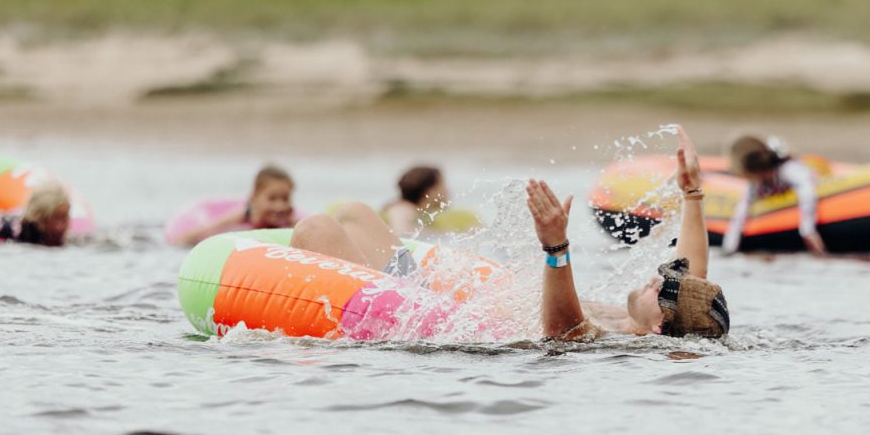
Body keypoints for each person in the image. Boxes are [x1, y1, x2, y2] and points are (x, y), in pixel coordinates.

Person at [291, 127, 729, 342]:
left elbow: (563, 328)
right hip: (430, 294)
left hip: (411, 316)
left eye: (664, 289)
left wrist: (556, 245)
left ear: (660, 326)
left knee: (316, 228)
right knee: (354, 212)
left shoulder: (613, 341)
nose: (658, 277)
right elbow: (692, 274)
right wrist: (691, 191)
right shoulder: (643, 315)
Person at [723, 135, 826, 255]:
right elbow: (740, 213)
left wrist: (808, 231)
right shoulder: (754, 184)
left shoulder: (787, 169)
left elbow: (807, 190)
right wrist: (729, 249)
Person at [171, 165, 298, 247]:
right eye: (272, 199)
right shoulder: (242, 216)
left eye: (285, 199)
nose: (280, 206)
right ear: (254, 198)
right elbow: (201, 232)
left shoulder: (290, 220)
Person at [374, 165, 480, 236]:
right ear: (430, 191)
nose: (448, 191)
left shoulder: (429, 215)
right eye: (443, 185)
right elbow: (402, 232)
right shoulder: (402, 208)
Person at [0, 182, 73, 247]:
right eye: (58, 218)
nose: (65, 223)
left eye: (66, 216)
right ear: (41, 221)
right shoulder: (17, 228)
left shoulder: (63, 236)